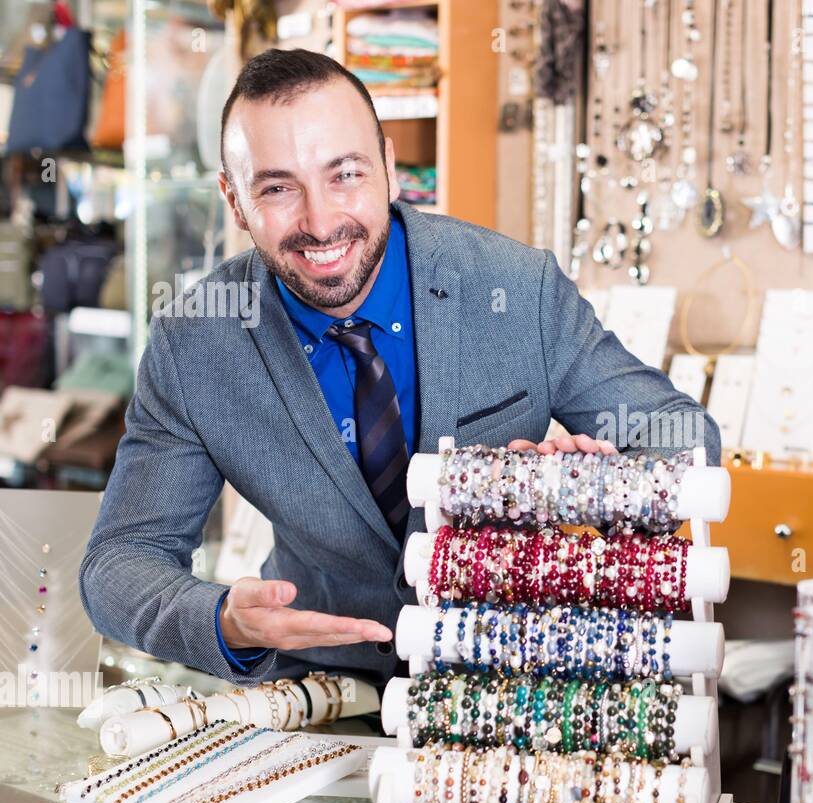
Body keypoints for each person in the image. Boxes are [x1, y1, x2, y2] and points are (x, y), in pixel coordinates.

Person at [80, 49, 719, 689]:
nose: (320, 222)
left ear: (388, 168)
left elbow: (684, 434)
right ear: (234, 199)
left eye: (345, 174)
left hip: (505, 691)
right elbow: (119, 563)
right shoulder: (194, 342)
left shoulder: (518, 288)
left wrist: (596, 487)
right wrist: (224, 621)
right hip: (318, 693)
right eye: (277, 188)